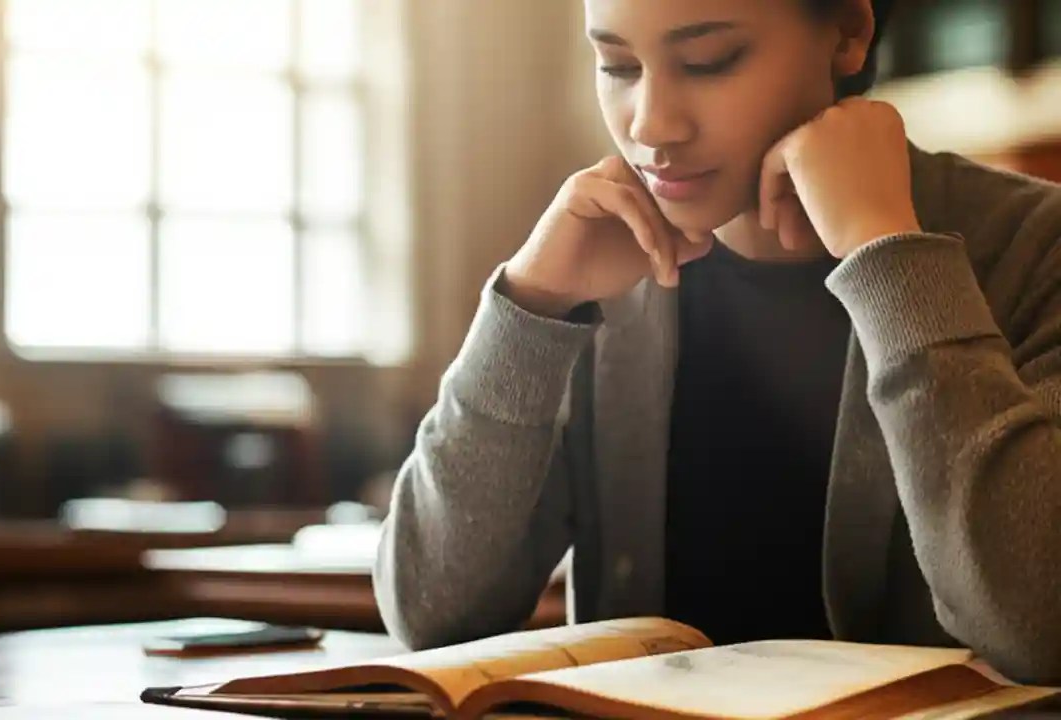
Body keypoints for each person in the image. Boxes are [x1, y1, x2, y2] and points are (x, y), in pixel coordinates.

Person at [372, 0, 1061, 684]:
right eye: (616, 64)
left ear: (848, 33)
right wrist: (526, 308)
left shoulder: (1034, 247)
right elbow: (431, 611)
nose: (649, 124)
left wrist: (886, 254)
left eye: (708, 61)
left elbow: (1042, 626)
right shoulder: (593, 264)